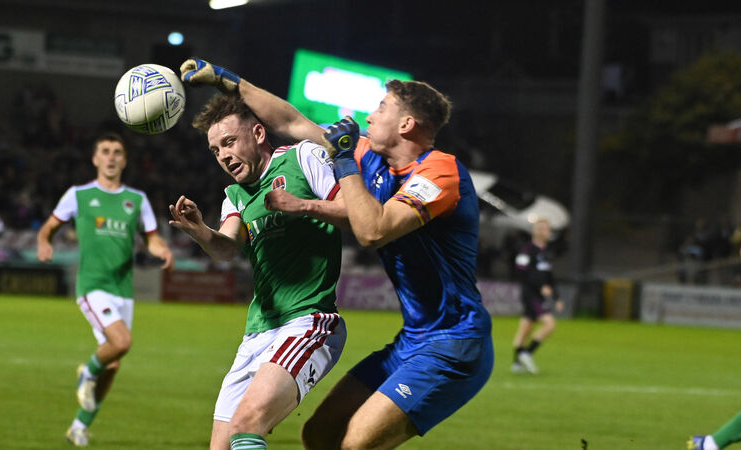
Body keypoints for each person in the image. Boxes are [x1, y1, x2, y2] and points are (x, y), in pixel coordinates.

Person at [180, 58, 493, 449]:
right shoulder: (371, 160)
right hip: (412, 339)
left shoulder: (440, 173)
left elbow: (373, 230)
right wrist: (227, 81)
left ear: (406, 125)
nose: (370, 115)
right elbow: (292, 121)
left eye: (381, 109)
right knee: (320, 433)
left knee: (355, 443)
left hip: (454, 343)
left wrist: (310, 196)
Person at [167, 94, 348, 450]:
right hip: (257, 333)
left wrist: (302, 206)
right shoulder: (235, 195)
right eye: (216, 150)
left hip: (309, 321)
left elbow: (353, 210)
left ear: (259, 134)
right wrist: (200, 231)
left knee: (247, 425)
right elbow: (227, 249)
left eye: (230, 142)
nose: (224, 155)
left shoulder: (301, 157)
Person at [36, 132, 174, 446]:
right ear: (95, 158)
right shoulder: (78, 195)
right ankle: (87, 370)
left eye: (117, 152)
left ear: (124, 160)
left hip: (123, 290)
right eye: (105, 151)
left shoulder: (136, 200)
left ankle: (79, 426)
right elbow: (50, 226)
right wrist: (44, 242)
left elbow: (151, 236)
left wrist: (161, 248)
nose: (111, 157)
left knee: (113, 362)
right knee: (121, 342)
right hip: (93, 286)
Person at [511, 218, 563, 375]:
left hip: (538, 295)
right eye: (538, 227)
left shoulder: (546, 253)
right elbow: (521, 274)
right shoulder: (527, 250)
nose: (541, 231)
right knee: (549, 324)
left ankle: (517, 364)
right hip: (530, 294)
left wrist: (556, 297)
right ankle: (526, 353)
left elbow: (550, 277)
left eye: (545, 228)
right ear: (533, 231)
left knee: (525, 329)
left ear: (549, 232)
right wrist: (540, 287)